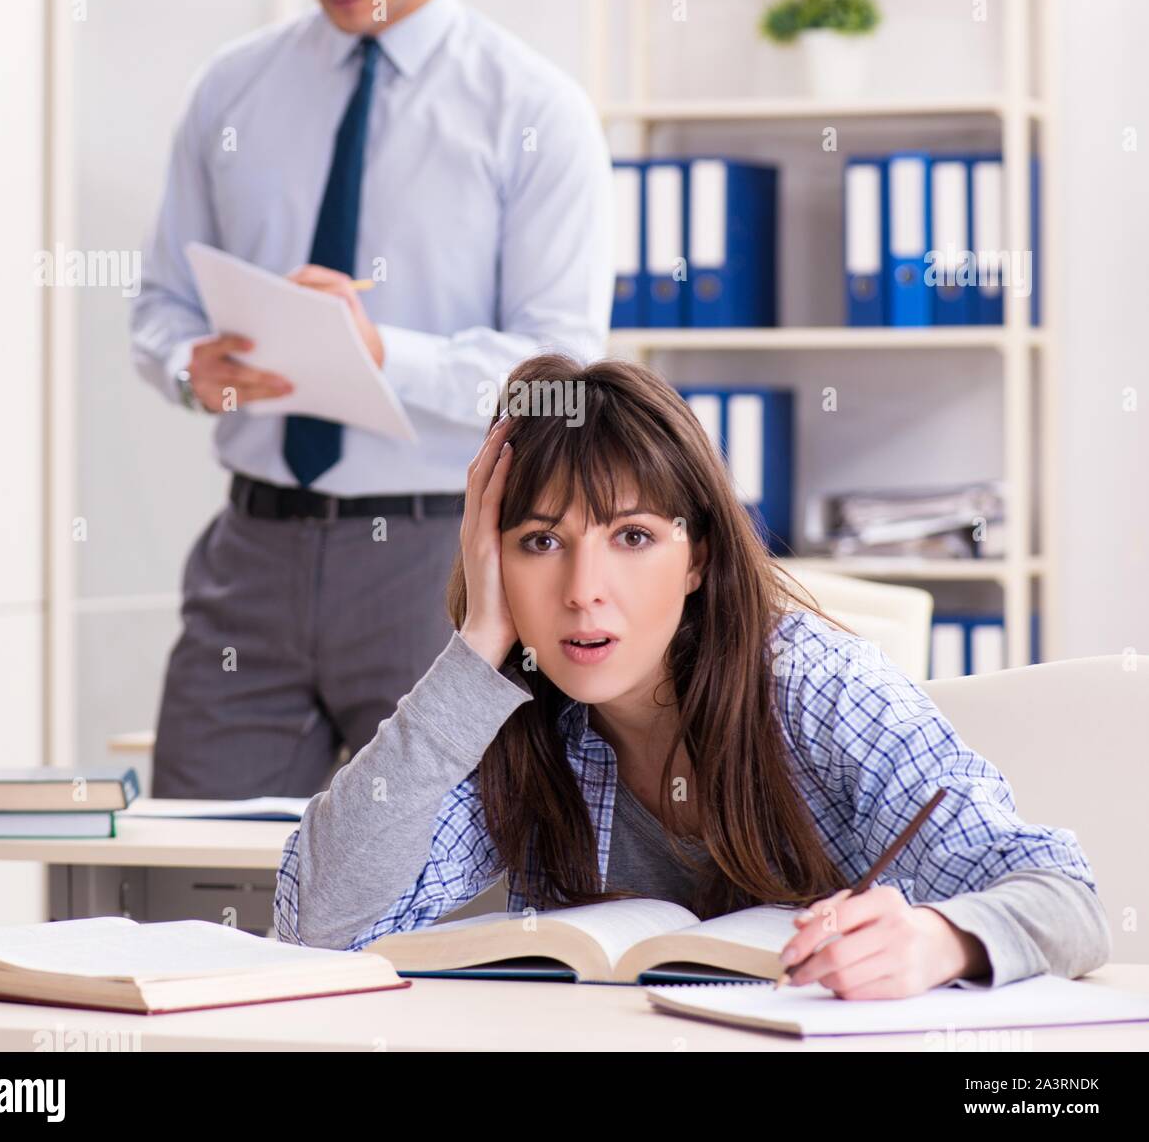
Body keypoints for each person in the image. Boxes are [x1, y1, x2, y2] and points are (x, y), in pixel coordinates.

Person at [273, 353, 1111, 998]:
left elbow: (1067, 899)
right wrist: (476, 648)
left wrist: (941, 939)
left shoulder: (815, 686)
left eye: (631, 537)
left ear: (698, 555)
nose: (582, 591)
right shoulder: (511, 711)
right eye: (540, 542)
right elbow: (316, 925)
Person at [130, 0, 613, 798]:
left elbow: (563, 376)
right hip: (250, 558)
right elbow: (160, 307)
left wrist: (380, 349)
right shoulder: (232, 90)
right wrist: (191, 369)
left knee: (448, 901)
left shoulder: (532, 109)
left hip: (442, 558)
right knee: (196, 886)